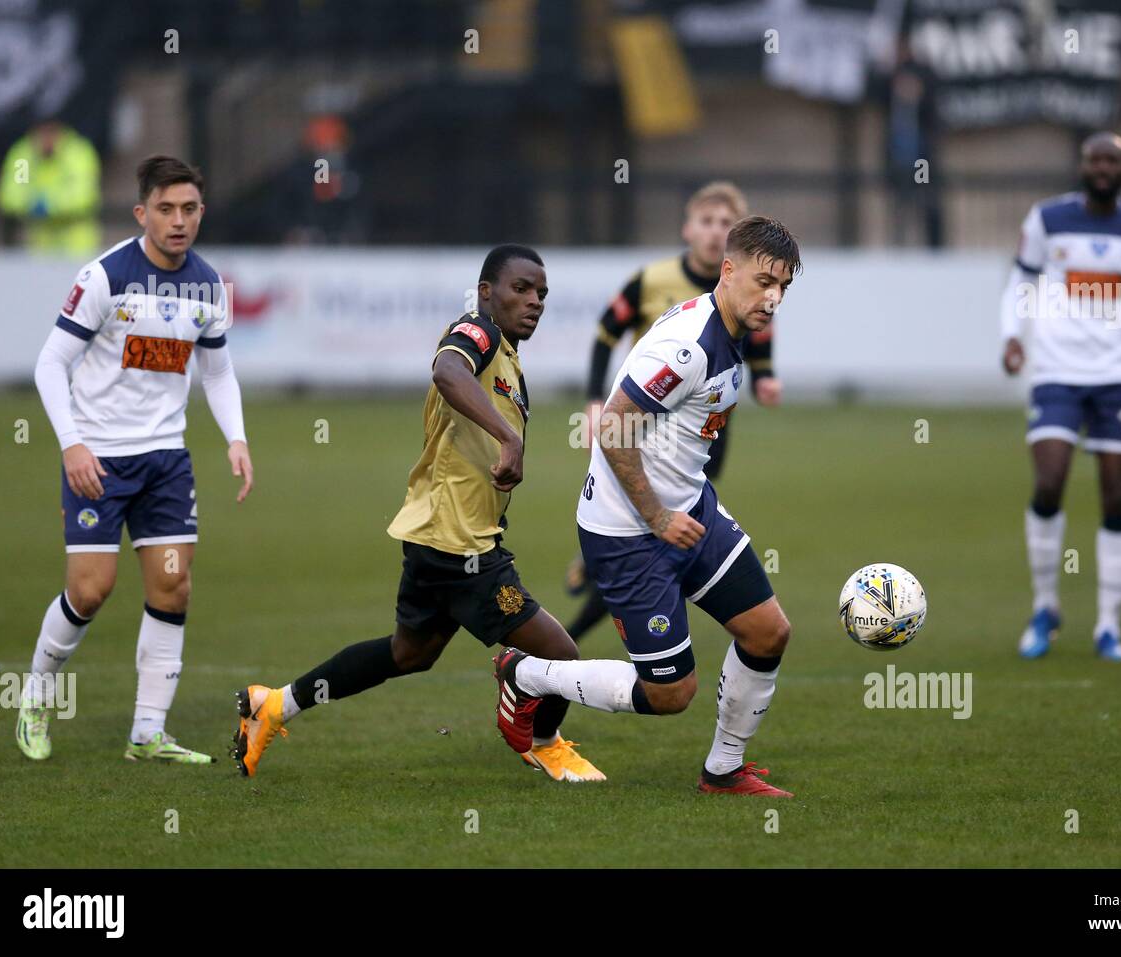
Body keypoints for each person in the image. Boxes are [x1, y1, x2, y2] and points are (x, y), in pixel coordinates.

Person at [233, 246, 605, 783]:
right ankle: (543, 743)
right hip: (460, 547)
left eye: (541, 293)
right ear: (485, 292)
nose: (533, 301)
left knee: (410, 653)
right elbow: (447, 372)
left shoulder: (509, 356)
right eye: (520, 288)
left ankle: (273, 706)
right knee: (561, 655)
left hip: (441, 535)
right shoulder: (477, 331)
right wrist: (508, 439)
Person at [493, 217, 800, 796]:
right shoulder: (687, 347)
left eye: (783, 287)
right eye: (764, 282)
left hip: (690, 511)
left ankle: (724, 770)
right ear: (728, 271)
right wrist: (657, 517)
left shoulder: (731, 329)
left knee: (767, 633)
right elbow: (612, 431)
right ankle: (526, 673)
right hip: (629, 533)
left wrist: (676, 508)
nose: (774, 298)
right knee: (670, 694)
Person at [17, 155, 252, 763]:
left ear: (202, 212)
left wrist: (236, 437)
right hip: (98, 461)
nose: (179, 221)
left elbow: (217, 371)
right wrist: (71, 442)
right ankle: (37, 693)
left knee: (172, 586)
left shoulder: (207, 285)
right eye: (167, 210)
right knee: (91, 592)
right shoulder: (106, 277)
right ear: (141, 212)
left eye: (190, 209)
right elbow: (50, 363)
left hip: (165, 464)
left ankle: (148, 732)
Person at [1000, 132, 1121, 662]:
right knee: (1049, 481)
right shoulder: (1047, 220)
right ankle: (1046, 607)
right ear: (1082, 166)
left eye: (1113, 160)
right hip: (1057, 372)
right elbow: (1021, 279)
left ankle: (1108, 625)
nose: (1103, 167)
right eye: (1095, 160)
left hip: (1120, 376)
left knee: (1115, 496)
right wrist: (1013, 335)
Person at [564, 181, 780, 641]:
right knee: (651, 532)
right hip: (645, 419)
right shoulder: (657, 284)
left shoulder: (752, 295)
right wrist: (594, 400)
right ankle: (588, 622)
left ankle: (628, 578)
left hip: (706, 428)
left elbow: (759, 344)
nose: (714, 231)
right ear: (688, 228)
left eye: (726, 224)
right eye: (707, 221)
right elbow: (606, 335)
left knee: (675, 524)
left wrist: (765, 376)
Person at [0, 120, 102, 255]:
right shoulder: (24, 156)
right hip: (37, 244)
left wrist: (50, 204)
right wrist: (31, 202)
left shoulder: (77, 152)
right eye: (41, 132)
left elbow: (84, 195)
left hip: (76, 245)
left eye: (50, 132)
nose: (45, 138)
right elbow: (11, 195)